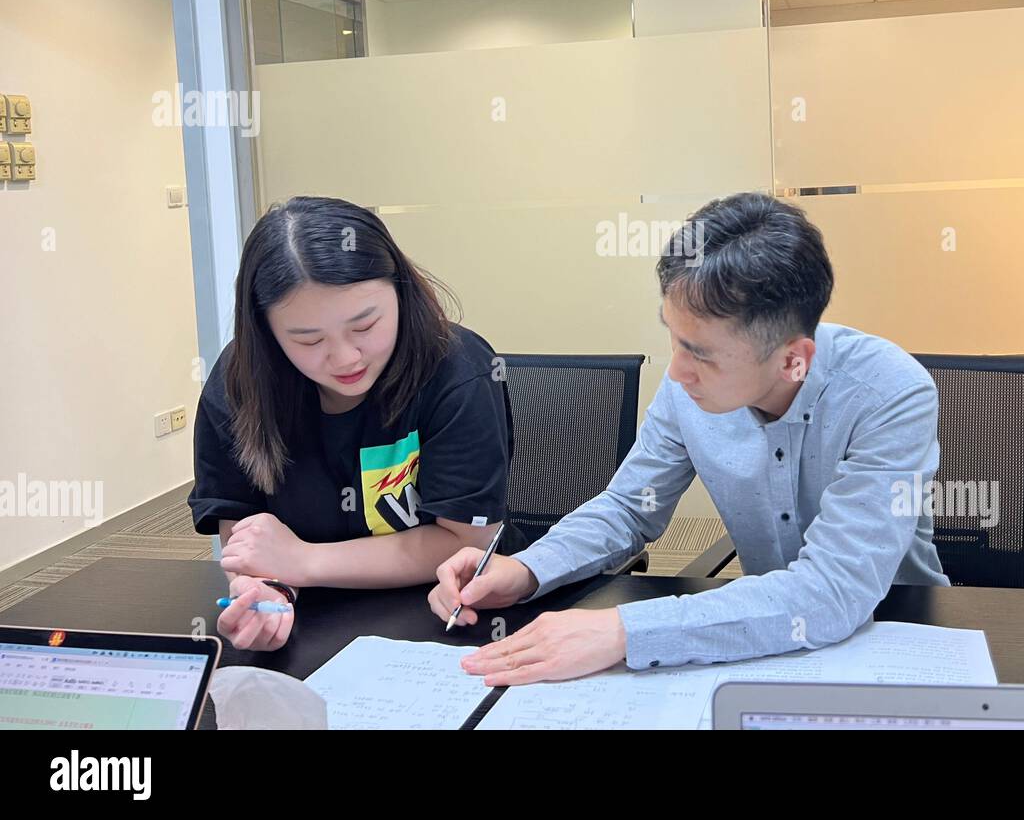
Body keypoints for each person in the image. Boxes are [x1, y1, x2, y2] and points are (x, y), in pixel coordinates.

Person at [429, 191, 949, 684]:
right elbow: (629, 508)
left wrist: (624, 630)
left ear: (794, 359)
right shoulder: (690, 388)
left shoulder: (890, 393)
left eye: (700, 353)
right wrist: (524, 569)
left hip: (895, 636)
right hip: (760, 639)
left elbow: (833, 592)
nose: (676, 372)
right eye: (674, 340)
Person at [189, 195, 522, 651]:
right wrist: (264, 586)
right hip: (310, 620)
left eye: (365, 326)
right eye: (308, 340)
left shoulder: (456, 370)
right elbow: (243, 525)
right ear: (265, 332)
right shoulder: (241, 381)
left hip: (446, 612)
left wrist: (302, 563)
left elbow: (465, 542)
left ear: (401, 292)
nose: (345, 358)